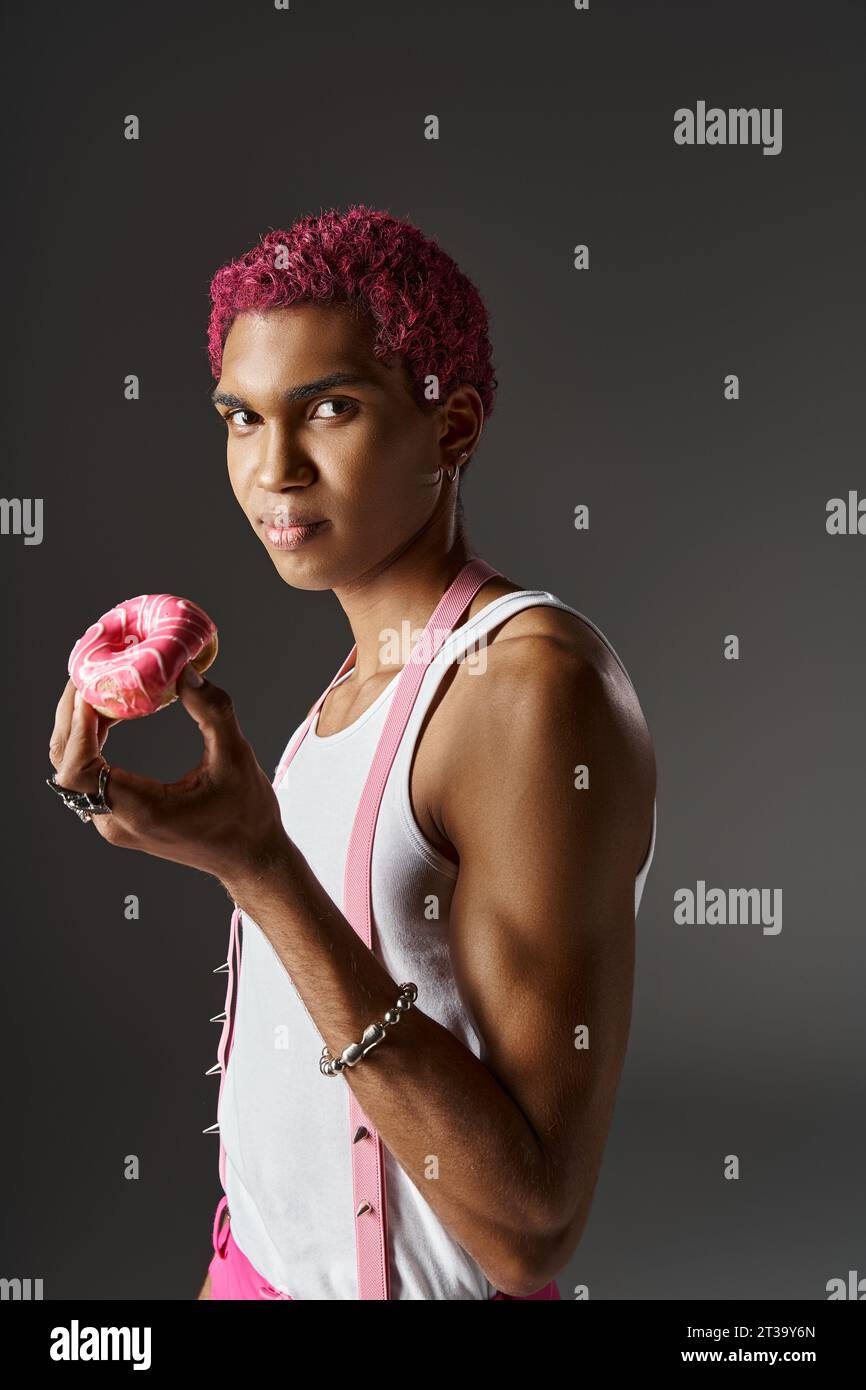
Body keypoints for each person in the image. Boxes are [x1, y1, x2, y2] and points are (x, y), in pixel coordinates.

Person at [48, 204, 657, 1301]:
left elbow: (530, 1227)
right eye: (240, 418)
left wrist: (257, 867)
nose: (274, 469)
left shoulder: (526, 688)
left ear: (451, 426)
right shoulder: (353, 683)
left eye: (329, 409)